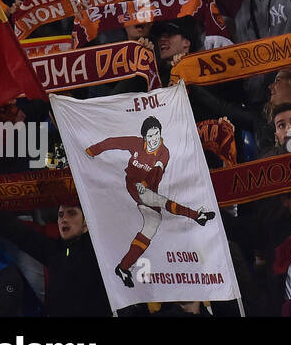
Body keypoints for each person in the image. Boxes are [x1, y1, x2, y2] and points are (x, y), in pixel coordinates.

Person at [85, 116, 216, 288]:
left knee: (153, 224)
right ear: (144, 137)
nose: (154, 139)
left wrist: (147, 185)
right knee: (162, 201)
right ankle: (196, 216)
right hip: (133, 185)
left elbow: (157, 173)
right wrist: (93, 150)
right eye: (150, 136)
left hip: (148, 188)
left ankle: (123, 267)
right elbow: (113, 142)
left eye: (157, 135)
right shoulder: (136, 143)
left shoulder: (164, 151)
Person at [0, 205, 112, 317]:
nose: (64, 219)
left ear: (86, 224)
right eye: (61, 215)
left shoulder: (102, 251)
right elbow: (16, 232)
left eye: (72, 213)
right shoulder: (54, 252)